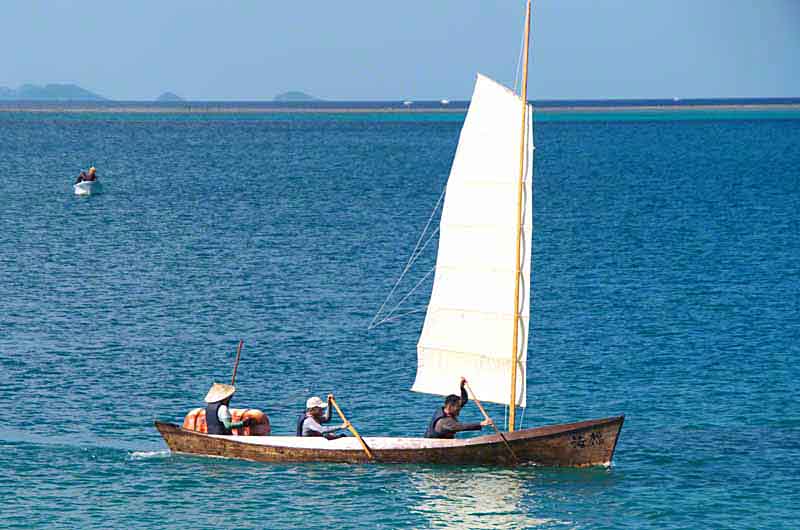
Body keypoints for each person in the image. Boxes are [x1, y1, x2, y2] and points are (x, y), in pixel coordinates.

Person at [424, 377, 491, 438]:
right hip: (435, 444)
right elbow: (461, 427)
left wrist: (462, 387)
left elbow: (464, 400)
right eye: (458, 409)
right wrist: (481, 424)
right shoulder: (443, 421)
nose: (459, 411)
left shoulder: (450, 409)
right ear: (450, 406)